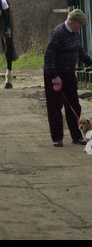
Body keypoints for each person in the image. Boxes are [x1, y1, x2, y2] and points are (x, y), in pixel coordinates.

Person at [44, 9, 92, 147]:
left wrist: (90, 62)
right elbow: (48, 56)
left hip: (69, 74)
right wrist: (54, 76)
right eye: (80, 25)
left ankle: (77, 136)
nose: (81, 27)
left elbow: (80, 51)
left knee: (74, 106)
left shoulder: (75, 33)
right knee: (55, 107)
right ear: (73, 22)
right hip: (54, 76)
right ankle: (57, 138)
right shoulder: (58, 34)